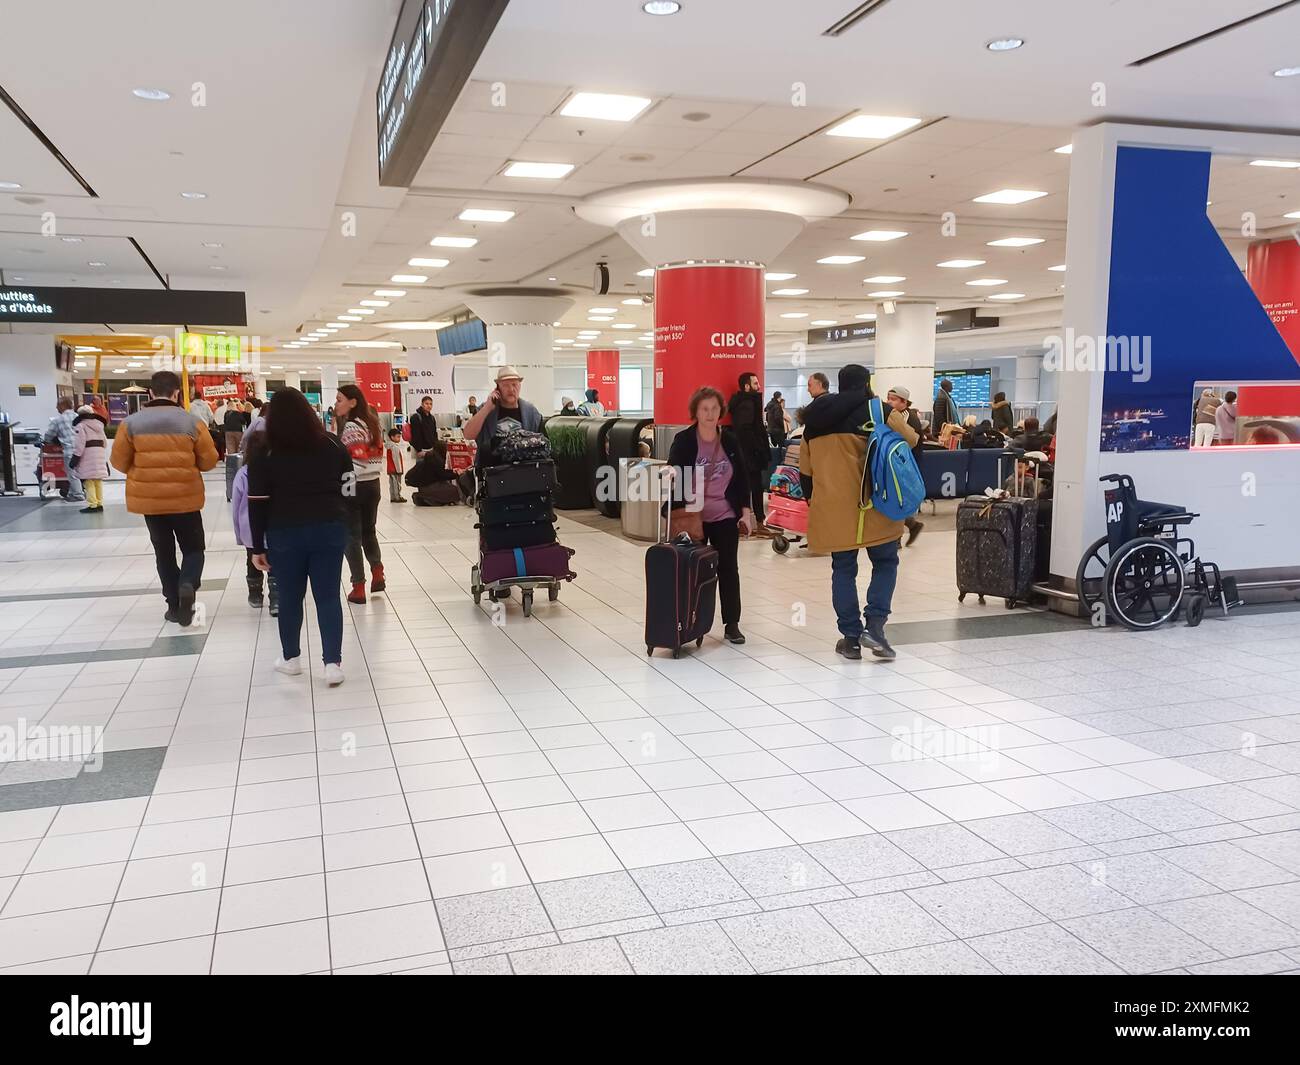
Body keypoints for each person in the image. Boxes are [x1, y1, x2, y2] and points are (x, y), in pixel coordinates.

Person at [801, 364, 919, 662]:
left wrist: (815, 503)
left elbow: (805, 471)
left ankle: (851, 638)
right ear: (867, 383)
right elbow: (912, 440)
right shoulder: (878, 410)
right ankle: (875, 628)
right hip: (876, 503)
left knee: (843, 569)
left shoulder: (813, 420)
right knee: (885, 561)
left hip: (834, 508)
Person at [247, 388, 350, 685]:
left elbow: (256, 502)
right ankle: (332, 663)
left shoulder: (264, 451)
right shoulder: (332, 444)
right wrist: (341, 517)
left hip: (284, 533)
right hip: (329, 529)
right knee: (328, 596)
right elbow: (349, 488)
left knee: (290, 597)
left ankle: (291, 658)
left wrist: (256, 545)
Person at [110, 369, 218, 626]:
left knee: (164, 553)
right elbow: (209, 460)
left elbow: (119, 462)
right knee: (193, 549)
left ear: (150, 392)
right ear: (177, 393)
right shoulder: (191, 423)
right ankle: (188, 583)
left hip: (151, 502)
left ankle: (173, 604)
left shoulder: (131, 424)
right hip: (185, 500)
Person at [666, 386, 756, 645]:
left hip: (724, 515)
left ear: (721, 411)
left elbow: (741, 477)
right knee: (692, 571)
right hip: (691, 516)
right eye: (704, 408)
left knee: (729, 569)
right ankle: (690, 621)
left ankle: (732, 624)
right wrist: (671, 472)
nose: (710, 413)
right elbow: (674, 464)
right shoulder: (685, 440)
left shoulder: (728, 440)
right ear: (695, 411)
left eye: (714, 408)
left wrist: (745, 512)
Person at [335, 383, 385, 604]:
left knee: (350, 537)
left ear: (352, 402)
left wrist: (339, 482)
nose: (336, 404)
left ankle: (358, 586)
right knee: (369, 532)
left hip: (354, 486)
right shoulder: (371, 422)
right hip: (373, 484)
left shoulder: (352, 427)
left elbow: (357, 462)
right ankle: (377, 572)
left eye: (339, 400)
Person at [231, 429, 278, 615]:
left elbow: (235, 505)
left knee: (252, 562)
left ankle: (255, 595)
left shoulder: (243, 474)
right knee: (274, 562)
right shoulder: (276, 472)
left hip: (249, 528)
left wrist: (238, 534)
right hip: (273, 526)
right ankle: (276, 597)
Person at [464, 366, 544, 465]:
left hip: (524, 471)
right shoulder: (486, 410)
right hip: (492, 472)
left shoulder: (531, 412)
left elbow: (541, 444)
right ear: (497, 388)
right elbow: (468, 435)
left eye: (514, 384)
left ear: (520, 386)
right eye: (505, 385)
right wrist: (487, 408)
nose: (511, 389)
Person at [727, 372, 771, 531]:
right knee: (755, 487)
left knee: (746, 487)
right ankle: (758, 521)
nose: (759, 386)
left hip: (745, 453)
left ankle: (748, 521)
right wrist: (758, 447)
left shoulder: (743, 403)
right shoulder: (748, 403)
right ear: (747, 387)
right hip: (750, 454)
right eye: (755, 383)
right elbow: (745, 429)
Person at [886, 386, 925, 546]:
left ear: (904, 402)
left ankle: (897, 538)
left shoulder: (910, 418)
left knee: (897, 499)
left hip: (905, 466)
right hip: (895, 463)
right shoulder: (893, 415)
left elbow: (908, 443)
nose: (889, 402)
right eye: (888, 398)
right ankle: (910, 525)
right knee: (895, 499)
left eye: (893, 399)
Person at [43, 397, 85, 503]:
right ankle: (74, 492)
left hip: (69, 450)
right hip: (83, 450)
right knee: (80, 472)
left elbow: (48, 435)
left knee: (72, 474)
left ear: (63, 406)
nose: (56, 408)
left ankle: (78, 495)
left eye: (58, 405)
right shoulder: (79, 417)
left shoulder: (58, 420)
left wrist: (48, 441)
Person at [71, 403, 109, 514]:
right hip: (99, 454)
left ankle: (92, 505)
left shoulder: (80, 426)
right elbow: (105, 443)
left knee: (88, 481)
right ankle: (99, 503)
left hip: (87, 456)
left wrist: (75, 459)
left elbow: (79, 444)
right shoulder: (99, 425)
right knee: (97, 480)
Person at [385, 427, 408, 503]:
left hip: (390, 468)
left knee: (392, 484)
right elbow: (396, 459)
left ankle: (393, 496)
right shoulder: (394, 447)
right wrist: (399, 470)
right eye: (398, 437)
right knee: (397, 484)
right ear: (392, 437)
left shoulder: (389, 446)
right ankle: (397, 497)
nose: (399, 439)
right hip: (395, 469)